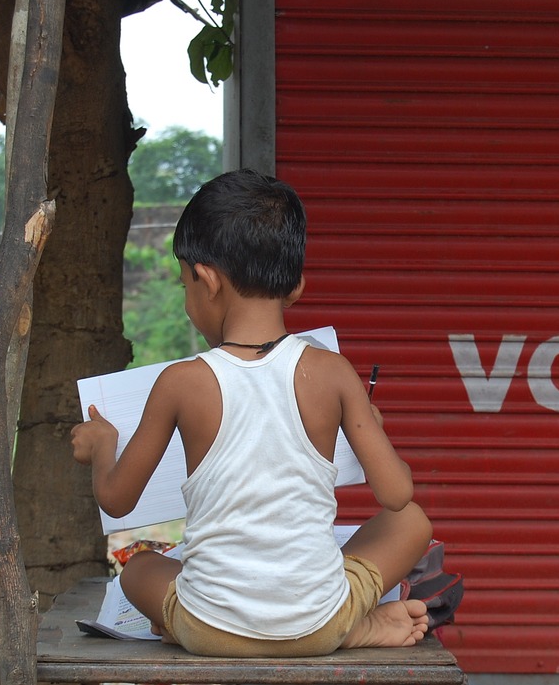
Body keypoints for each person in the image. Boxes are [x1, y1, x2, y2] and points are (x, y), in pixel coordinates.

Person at [70, 169, 432, 657]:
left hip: (206, 627)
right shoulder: (334, 372)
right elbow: (397, 493)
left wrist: (101, 446)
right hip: (318, 623)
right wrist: (375, 432)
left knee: (138, 569)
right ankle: (357, 626)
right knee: (412, 522)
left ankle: (184, 627)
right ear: (296, 287)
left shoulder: (181, 382)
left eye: (185, 286)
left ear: (206, 279)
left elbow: (116, 500)